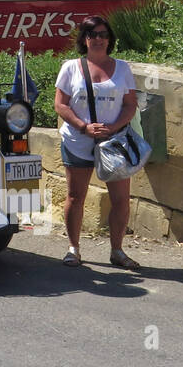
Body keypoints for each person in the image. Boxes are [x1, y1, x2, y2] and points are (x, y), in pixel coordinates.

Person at [53, 14, 140, 270]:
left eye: (103, 34)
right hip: (78, 141)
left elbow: (130, 105)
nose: (99, 39)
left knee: (121, 199)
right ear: (84, 39)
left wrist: (113, 127)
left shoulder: (122, 68)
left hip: (113, 144)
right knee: (75, 196)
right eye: (93, 35)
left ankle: (117, 250)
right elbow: (60, 104)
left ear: (109, 39)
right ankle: (73, 248)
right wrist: (83, 126)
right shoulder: (71, 67)